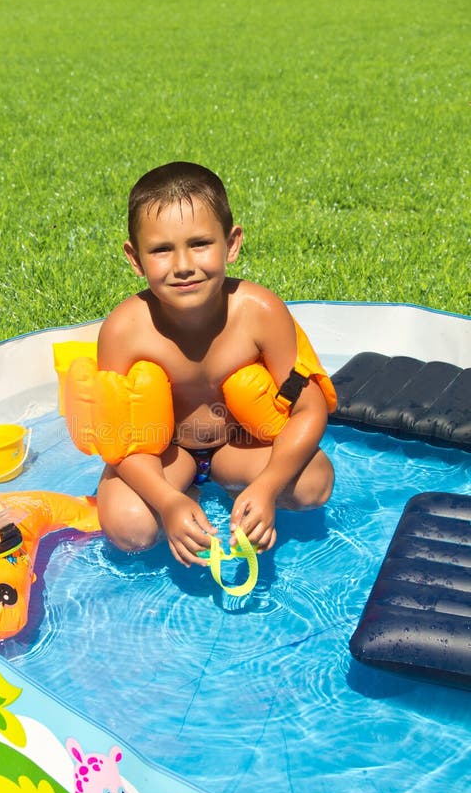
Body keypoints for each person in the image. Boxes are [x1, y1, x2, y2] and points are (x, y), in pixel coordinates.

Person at [92, 161, 335, 567]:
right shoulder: (124, 331)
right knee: (129, 528)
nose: (183, 265)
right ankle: (184, 495)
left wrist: (267, 487)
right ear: (135, 258)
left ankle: (237, 490)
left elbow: (309, 408)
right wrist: (167, 502)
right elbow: (118, 440)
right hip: (167, 457)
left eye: (200, 243)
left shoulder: (259, 313)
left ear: (232, 244)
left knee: (314, 481)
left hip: (237, 449)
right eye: (161, 249)